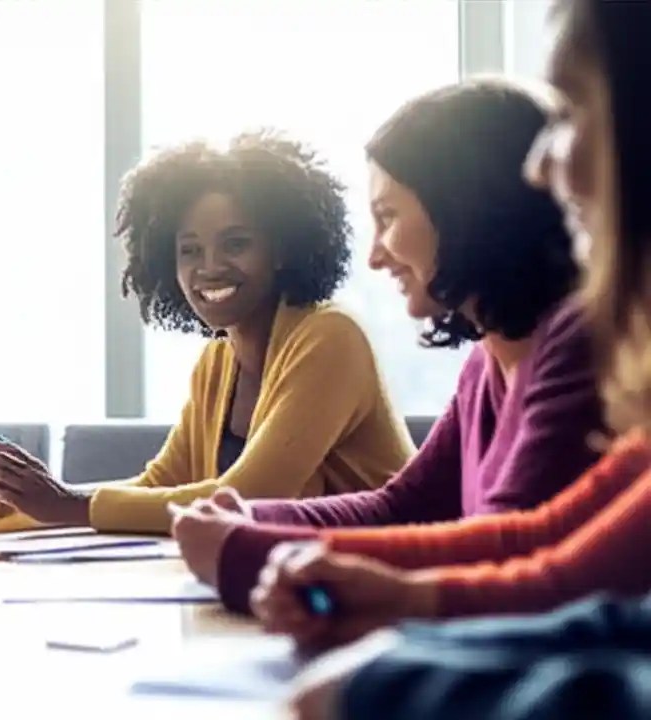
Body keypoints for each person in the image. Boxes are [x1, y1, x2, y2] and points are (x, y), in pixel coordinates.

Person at [261, 2, 651, 716]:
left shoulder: (569, 339)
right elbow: (592, 589)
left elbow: (551, 574)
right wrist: (409, 599)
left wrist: (393, 678)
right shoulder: (489, 364)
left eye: (570, 113)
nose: (541, 167)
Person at [171, 79, 601, 612]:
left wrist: (250, 549)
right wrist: (250, 518)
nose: (375, 256)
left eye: (389, 218)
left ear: (465, 213)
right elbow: (406, 505)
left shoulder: (577, 345)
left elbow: (505, 548)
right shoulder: (487, 362)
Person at [0, 132, 413, 535]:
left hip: (390, 590)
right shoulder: (218, 360)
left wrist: (64, 504)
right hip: (293, 584)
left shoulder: (330, 336)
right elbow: (160, 486)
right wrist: (24, 502)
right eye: (190, 250)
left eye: (236, 244)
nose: (209, 267)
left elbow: (247, 497)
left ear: (281, 249)